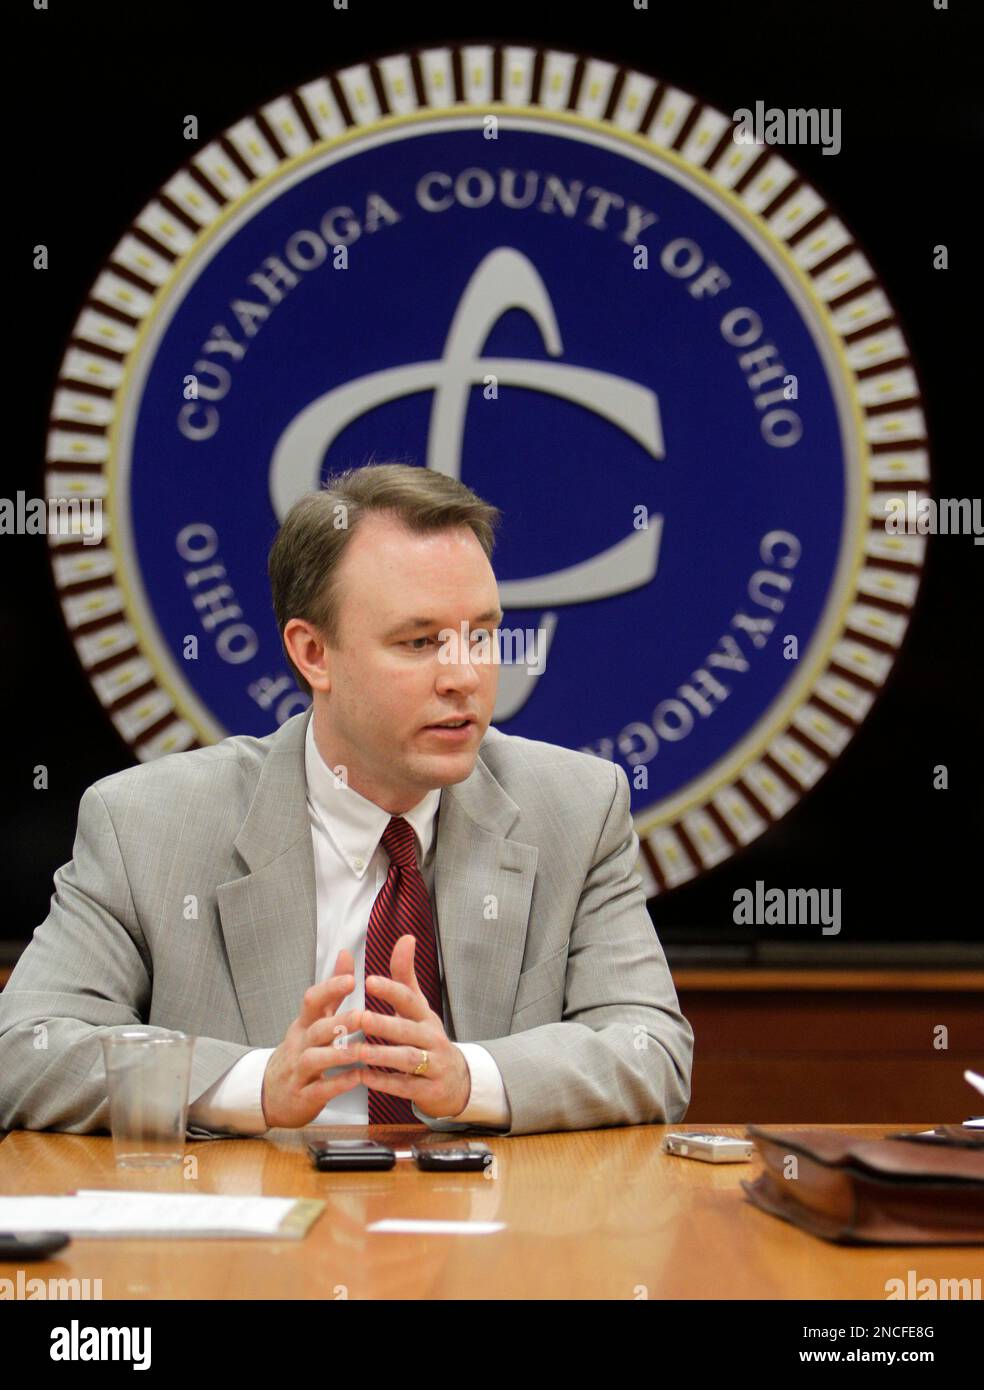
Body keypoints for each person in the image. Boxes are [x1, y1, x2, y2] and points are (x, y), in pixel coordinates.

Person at [0, 463, 694, 1137]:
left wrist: (470, 1078)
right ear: (313, 654)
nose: (466, 676)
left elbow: (650, 1050)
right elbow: (22, 1053)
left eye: (481, 635)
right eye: (420, 641)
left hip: (487, 1241)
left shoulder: (575, 808)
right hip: (250, 1240)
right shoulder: (147, 825)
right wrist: (253, 1086)